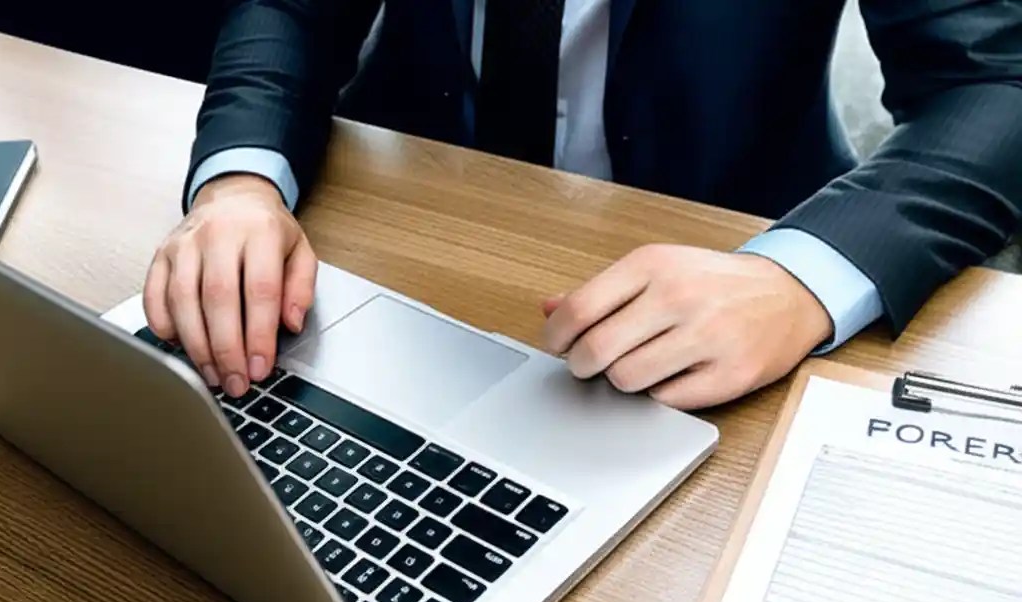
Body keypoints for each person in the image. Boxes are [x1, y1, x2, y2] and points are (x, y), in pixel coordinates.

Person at [142, 0, 1022, 408]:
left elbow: (996, 82)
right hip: (398, 241)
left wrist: (799, 281)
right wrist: (242, 181)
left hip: (722, 252)